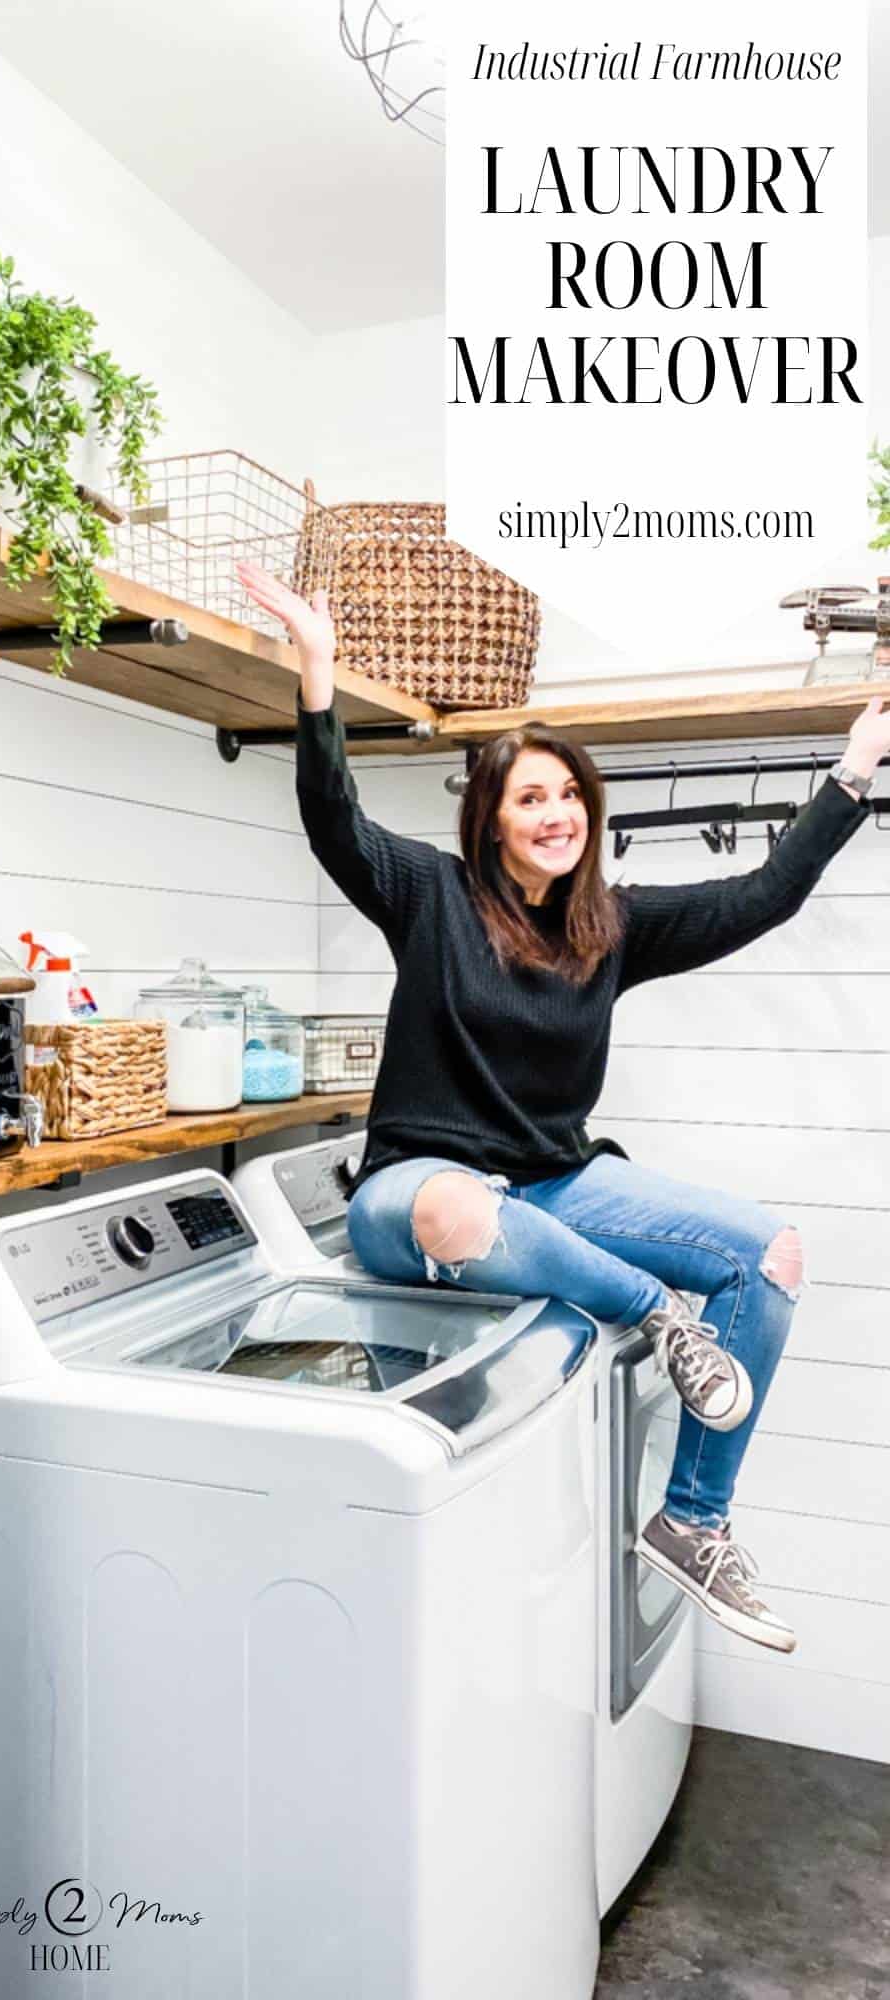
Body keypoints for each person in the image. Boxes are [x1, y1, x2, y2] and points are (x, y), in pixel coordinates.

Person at [236, 558, 887, 1654]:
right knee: (461, 1213)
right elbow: (332, 817)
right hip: (414, 1188)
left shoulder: (610, 928)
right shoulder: (428, 896)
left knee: (767, 1254)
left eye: (569, 794)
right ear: (490, 819)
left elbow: (763, 894)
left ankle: (693, 1518)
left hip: (554, 1185)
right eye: (528, 796)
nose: (556, 812)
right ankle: (659, 1315)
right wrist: (315, 667)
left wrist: (857, 763)